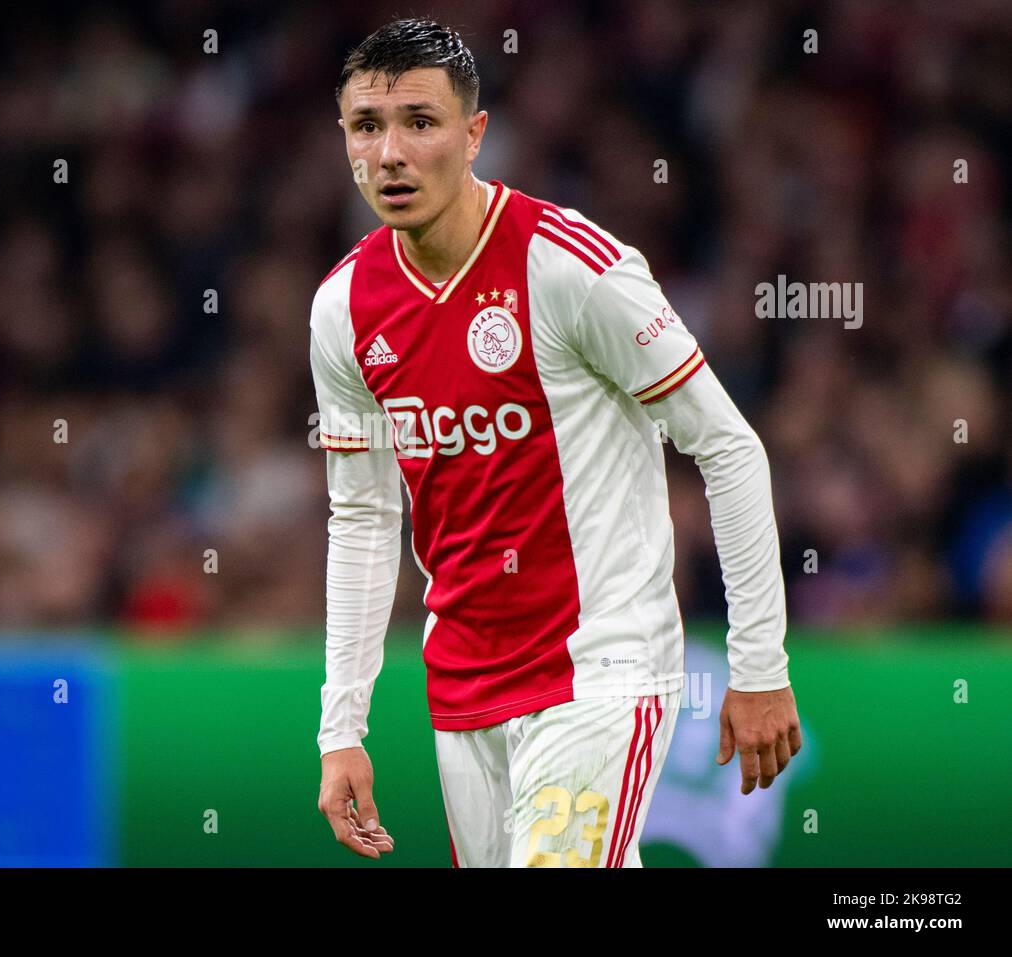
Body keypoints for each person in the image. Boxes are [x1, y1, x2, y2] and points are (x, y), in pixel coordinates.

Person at [311, 18, 801, 867]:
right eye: (367, 127)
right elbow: (360, 516)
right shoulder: (343, 309)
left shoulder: (569, 266)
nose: (390, 153)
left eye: (419, 123)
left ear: (475, 135)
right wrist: (340, 726)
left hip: (600, 666)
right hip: (463, 688)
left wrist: (760, 664)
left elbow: (728, 446)